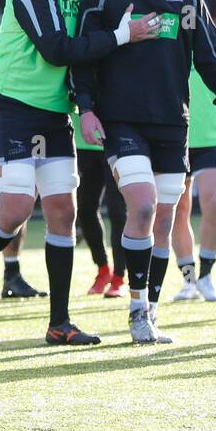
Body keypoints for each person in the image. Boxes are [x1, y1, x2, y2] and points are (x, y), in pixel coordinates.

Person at [0, 0, 158, 346]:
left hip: (53, 113)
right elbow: (57, 49)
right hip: (12, 105)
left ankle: (59, 322)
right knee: (17, 208)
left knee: (63, 211)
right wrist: (121, 37)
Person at [73, 0, 216, 344]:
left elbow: (210, 53)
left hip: (172, 122)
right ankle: (134, 309)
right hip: (121, 121)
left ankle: (149, 310)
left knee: (164, 219)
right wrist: (86, 109)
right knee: (143, 207)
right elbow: (83, 55)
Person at [167, 66, 216, 303]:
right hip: (175, 137)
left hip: (212, 140)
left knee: (213, 203)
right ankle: (189, 279)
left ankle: (205, 275)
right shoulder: (170, 41)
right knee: (178, 210)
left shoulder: (214, 49)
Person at [74, 119, 129, 297]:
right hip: (84, 142)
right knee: (85, 209)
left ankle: (119, 277)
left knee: (117, 211)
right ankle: (103, 269)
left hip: (116, 140)